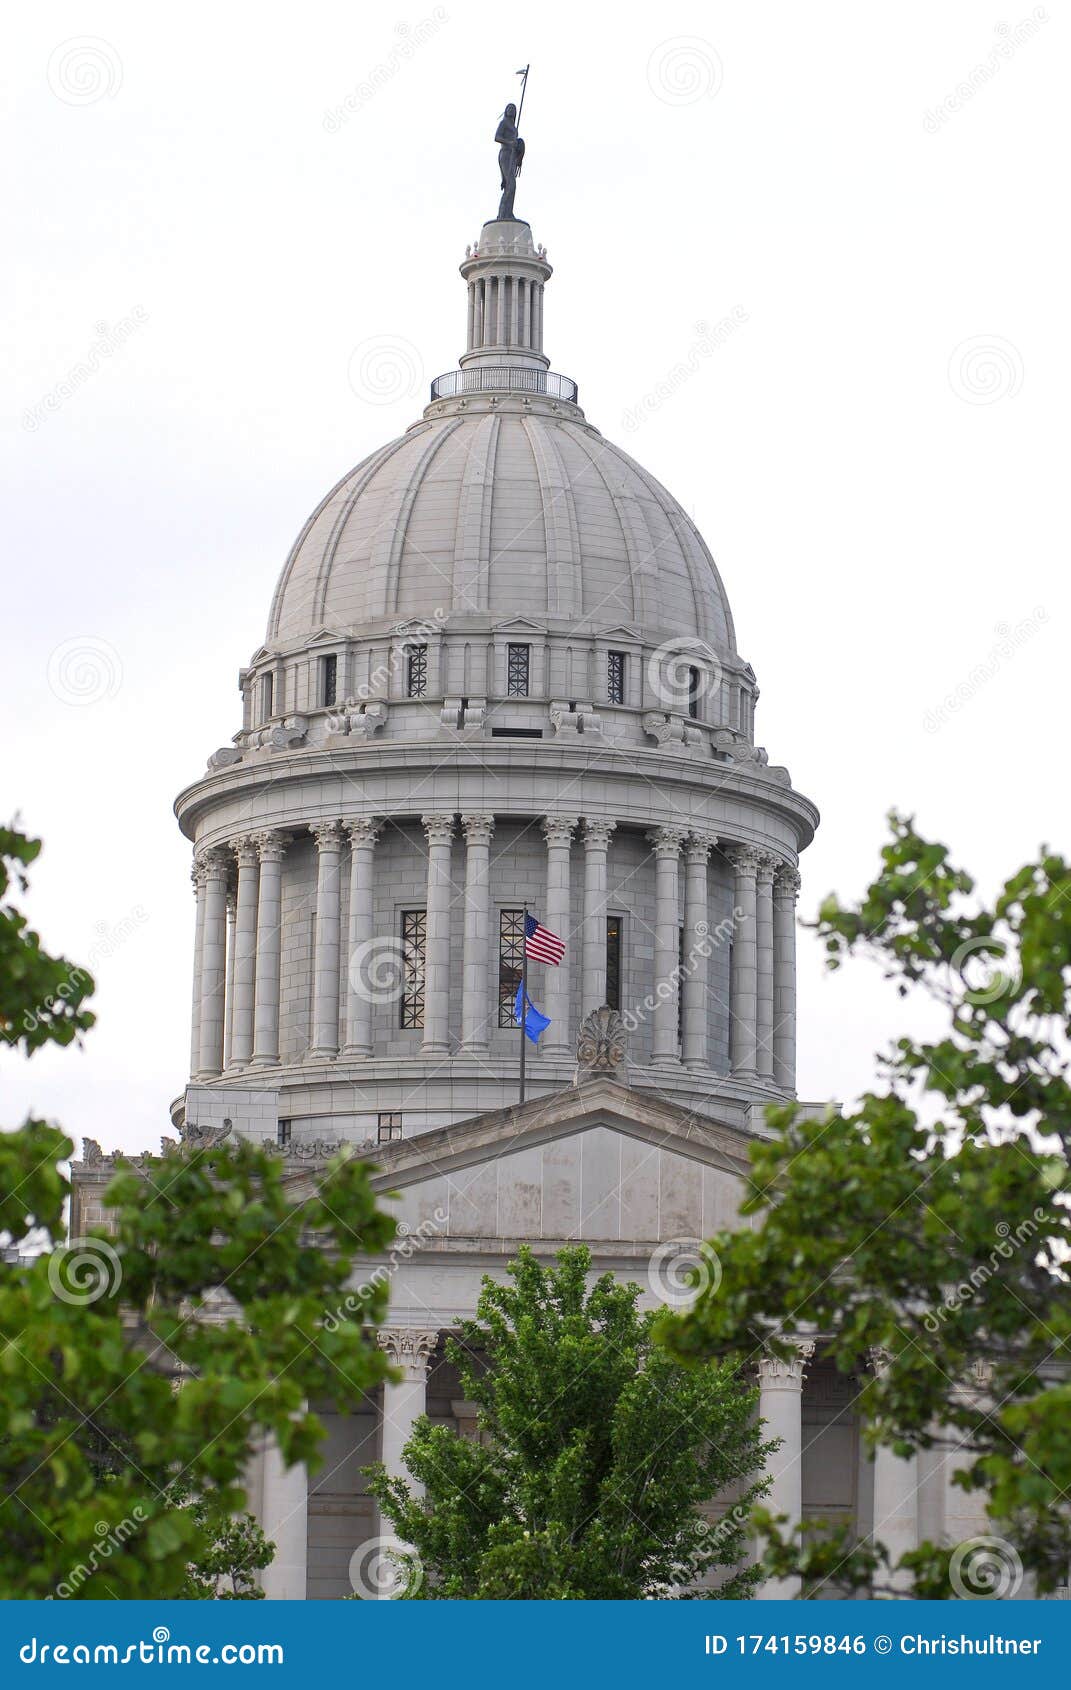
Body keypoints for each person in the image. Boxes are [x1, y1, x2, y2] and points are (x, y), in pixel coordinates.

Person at [495, 103, 525, 220]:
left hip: (512, 155)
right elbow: (497, 137)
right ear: (506, 111)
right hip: (506, 153)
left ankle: (508, 212)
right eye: (509, 108)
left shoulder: (514, 127)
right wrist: (510, 143)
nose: (511, 110)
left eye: (513, 108)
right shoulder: (504, 123)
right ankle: (503, 214)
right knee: (511, 185)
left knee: (510, 186)